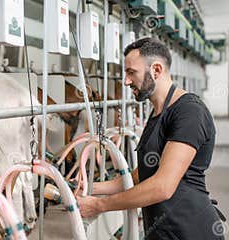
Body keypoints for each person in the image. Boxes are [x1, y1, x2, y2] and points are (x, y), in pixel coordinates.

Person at [76, 37, 226, 239]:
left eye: (131, 72)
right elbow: (143, 174)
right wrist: (92, 187)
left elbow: (162, 186)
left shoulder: (189, 111)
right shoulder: (158, 112)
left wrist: (99, 205)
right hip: (163, 231)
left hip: (190, 230)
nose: (126, 81)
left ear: (156, 70)